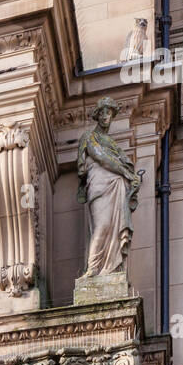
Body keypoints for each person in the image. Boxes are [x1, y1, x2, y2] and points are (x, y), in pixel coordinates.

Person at [77, 97, 142, 277]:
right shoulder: (89, 137)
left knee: (113, 228)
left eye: (109, 113)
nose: (106, 116)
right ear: (97, 116)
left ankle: (111, 268)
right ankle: (93, 269)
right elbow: (101, 157)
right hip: (99, 186)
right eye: (103, 113)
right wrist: (127, 173)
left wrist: (131, 178)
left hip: (116, 186)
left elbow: (124, 162)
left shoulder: (113, 144)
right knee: (102, 225)